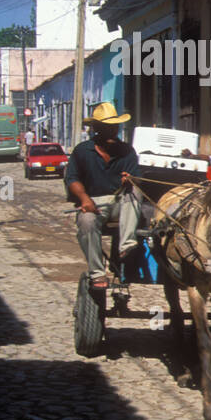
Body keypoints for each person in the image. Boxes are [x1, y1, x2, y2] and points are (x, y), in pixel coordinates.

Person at [65, 102, 141, 289]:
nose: (113, 131)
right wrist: (84, 198)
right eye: (108, 127)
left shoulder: (127, 151)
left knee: (135, 193)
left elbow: (136, 178)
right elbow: (72, 179)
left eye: (115, 127)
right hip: (93, 203)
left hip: (121, 202)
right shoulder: (82, 151)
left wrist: (130, 180)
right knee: (86, 222)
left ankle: (127, 245)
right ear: (97, 129)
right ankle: (97, 273)